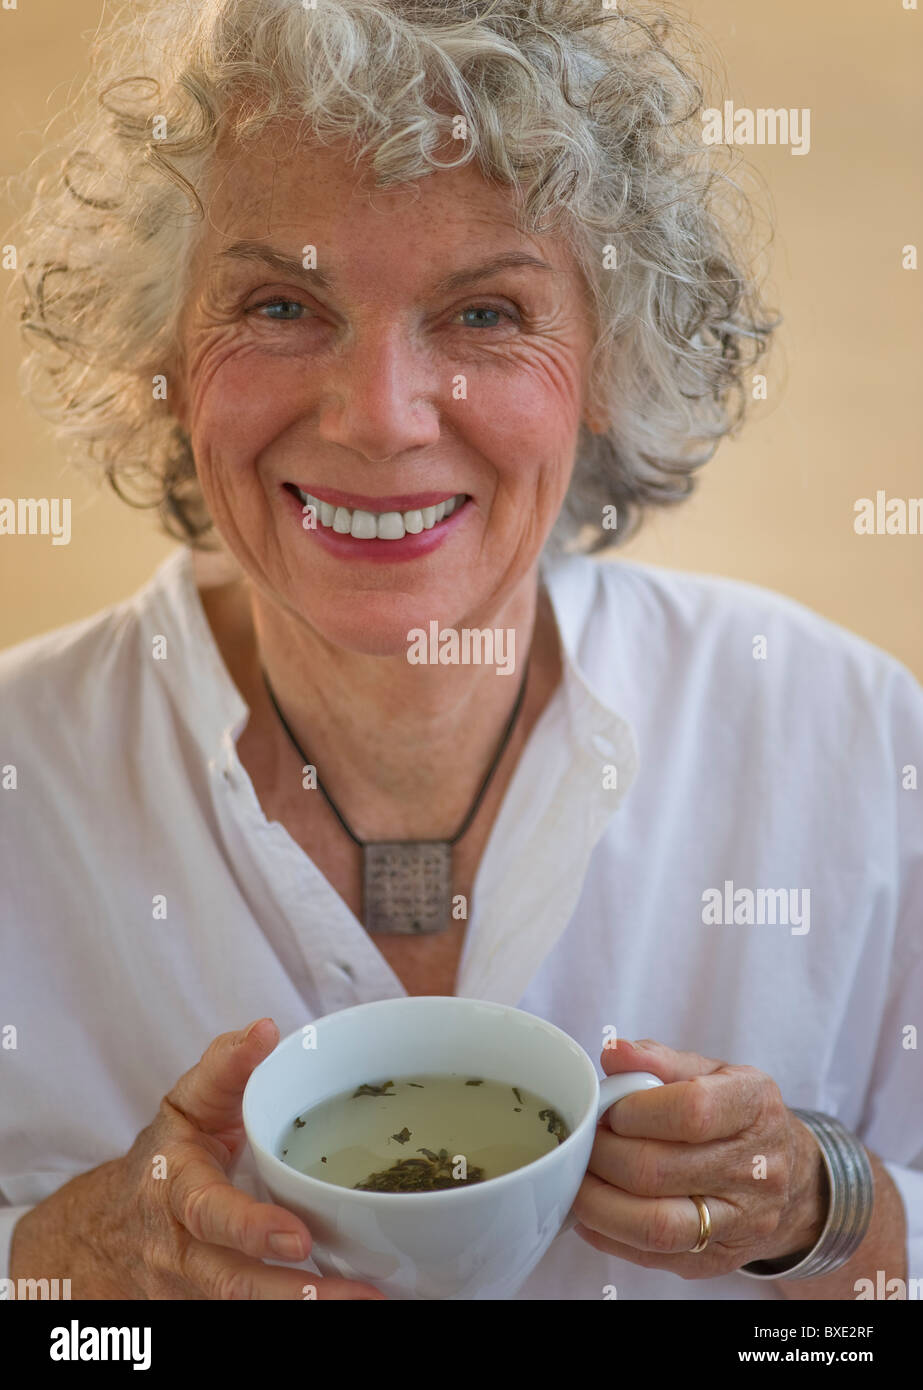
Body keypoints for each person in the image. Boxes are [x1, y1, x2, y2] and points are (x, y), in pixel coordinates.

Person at [2, 0, 920, 1301]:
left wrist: (825, 1206)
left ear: (608, 353)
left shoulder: (846, 735)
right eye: (280, 303)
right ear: (162, 348)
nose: (379, 417)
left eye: (485, 314)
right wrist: (61, 1272)